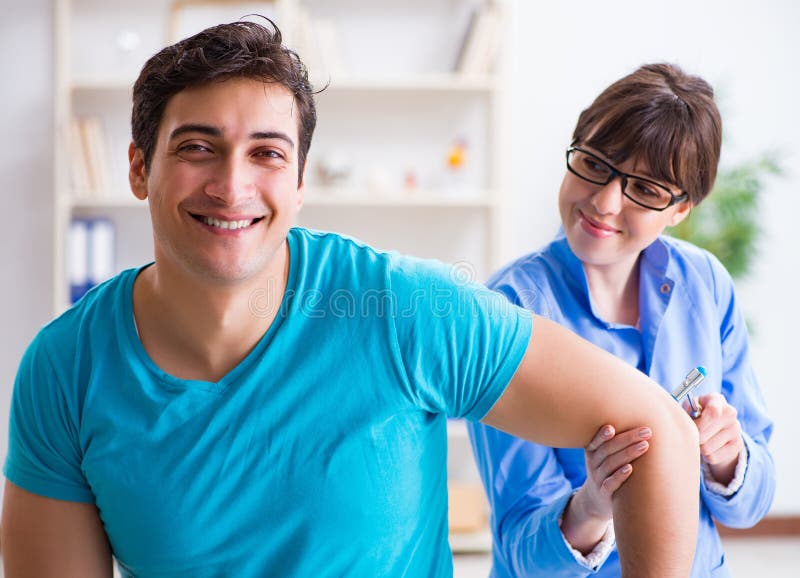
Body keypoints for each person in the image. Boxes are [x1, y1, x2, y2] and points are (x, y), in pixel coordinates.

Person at [2, 23, 700, 578]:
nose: (232, 186)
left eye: (267, 154)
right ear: (138, 168)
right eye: (197, 147)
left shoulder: (405, 310)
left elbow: (657, 429)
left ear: (300, 183)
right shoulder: (65, 370)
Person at [468, 63, 775, 577]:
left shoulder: (705, 282)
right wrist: (591, 505)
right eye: (593, 163)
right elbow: (521, 551)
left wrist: (727, 458)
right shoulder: (508, 309)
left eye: (646, 190)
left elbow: (751, 504)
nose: (604, 203)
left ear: (681, 209)